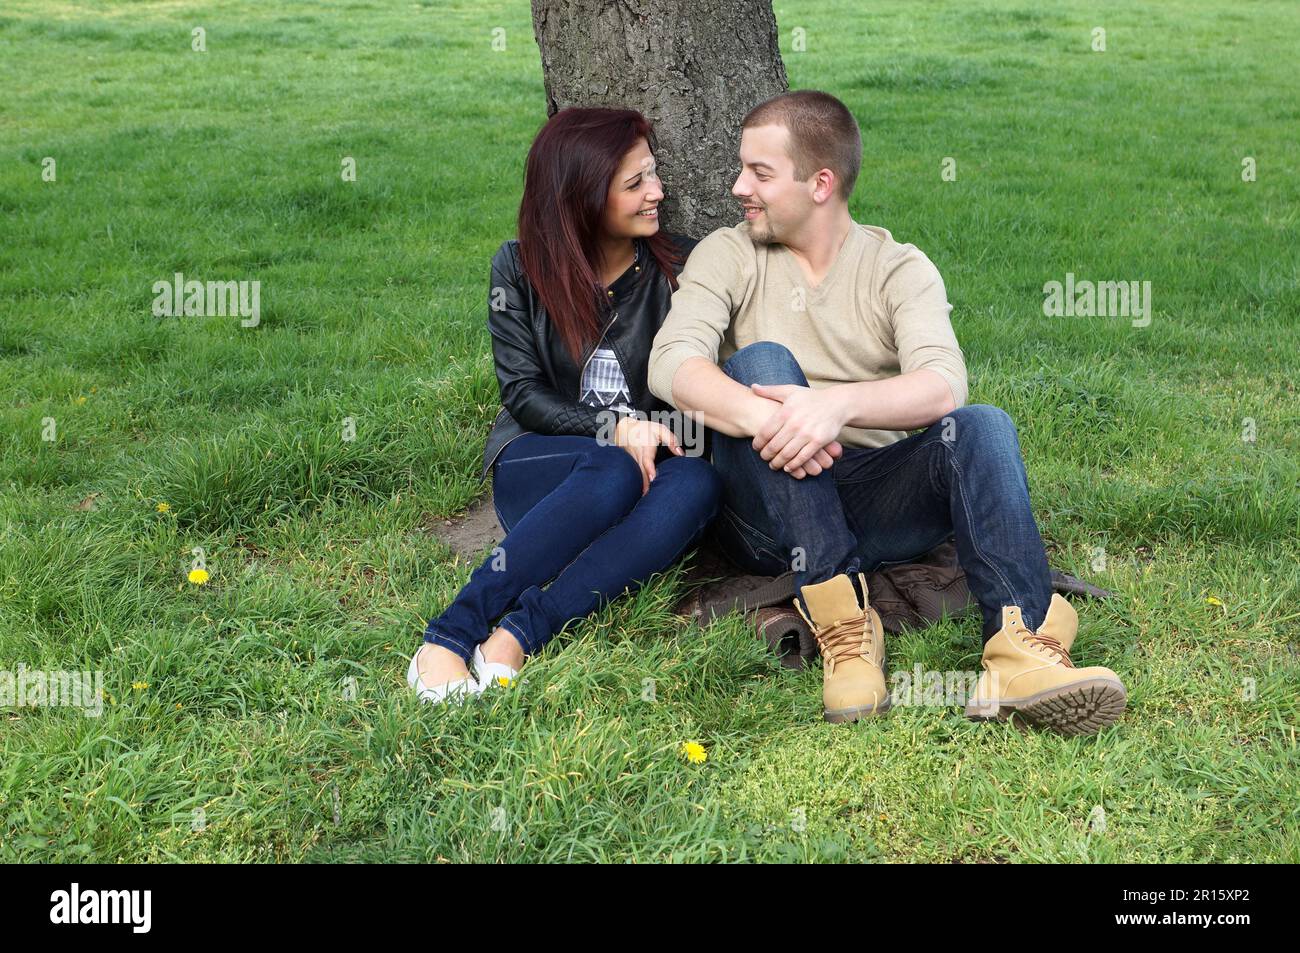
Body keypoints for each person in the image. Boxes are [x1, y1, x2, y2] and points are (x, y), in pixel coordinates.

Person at [647, 90, 1126, 734]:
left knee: (984, 425)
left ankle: (1020, 650)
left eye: (759, 173)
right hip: (765, 512)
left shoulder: (900, 268)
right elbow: (671, 361)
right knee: (762, 361)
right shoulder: (728, 255)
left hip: (874, 498)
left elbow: (942, 385)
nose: (738, 187)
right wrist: (771, 419)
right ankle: (844, 626)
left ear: (821, 183)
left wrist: (831, 407)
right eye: (743, 169)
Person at [410, 107, 722, 703]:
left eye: (653, 175)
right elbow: (524, 396)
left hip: (657, 462)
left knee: (700, 486)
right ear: (579, 195)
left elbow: (704, 393)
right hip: (544, 461)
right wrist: (618, 427)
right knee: (612, 461)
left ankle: (522, 633)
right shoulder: (520, 267)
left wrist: (650, 432)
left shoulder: (682, 270)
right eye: (635, 184)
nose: (656, 193)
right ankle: (450, 636)